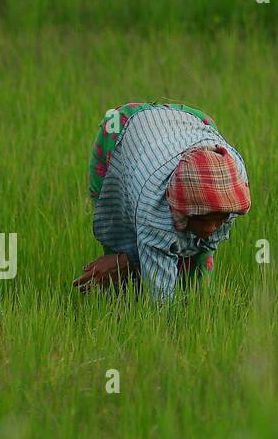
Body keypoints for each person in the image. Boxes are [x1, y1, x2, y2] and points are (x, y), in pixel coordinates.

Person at [74, 102, 251, 301]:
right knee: (124, 270)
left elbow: (200, 241)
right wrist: (125, 258)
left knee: (198, 270)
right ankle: (123, 305)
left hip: (194, 121)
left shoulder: (233, 181)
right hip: (121, 132)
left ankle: (200, 306)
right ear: (180, 209)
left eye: (220, 219)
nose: (211, 229)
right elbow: (162, 304)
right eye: (202, 220)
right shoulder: (154, 205)